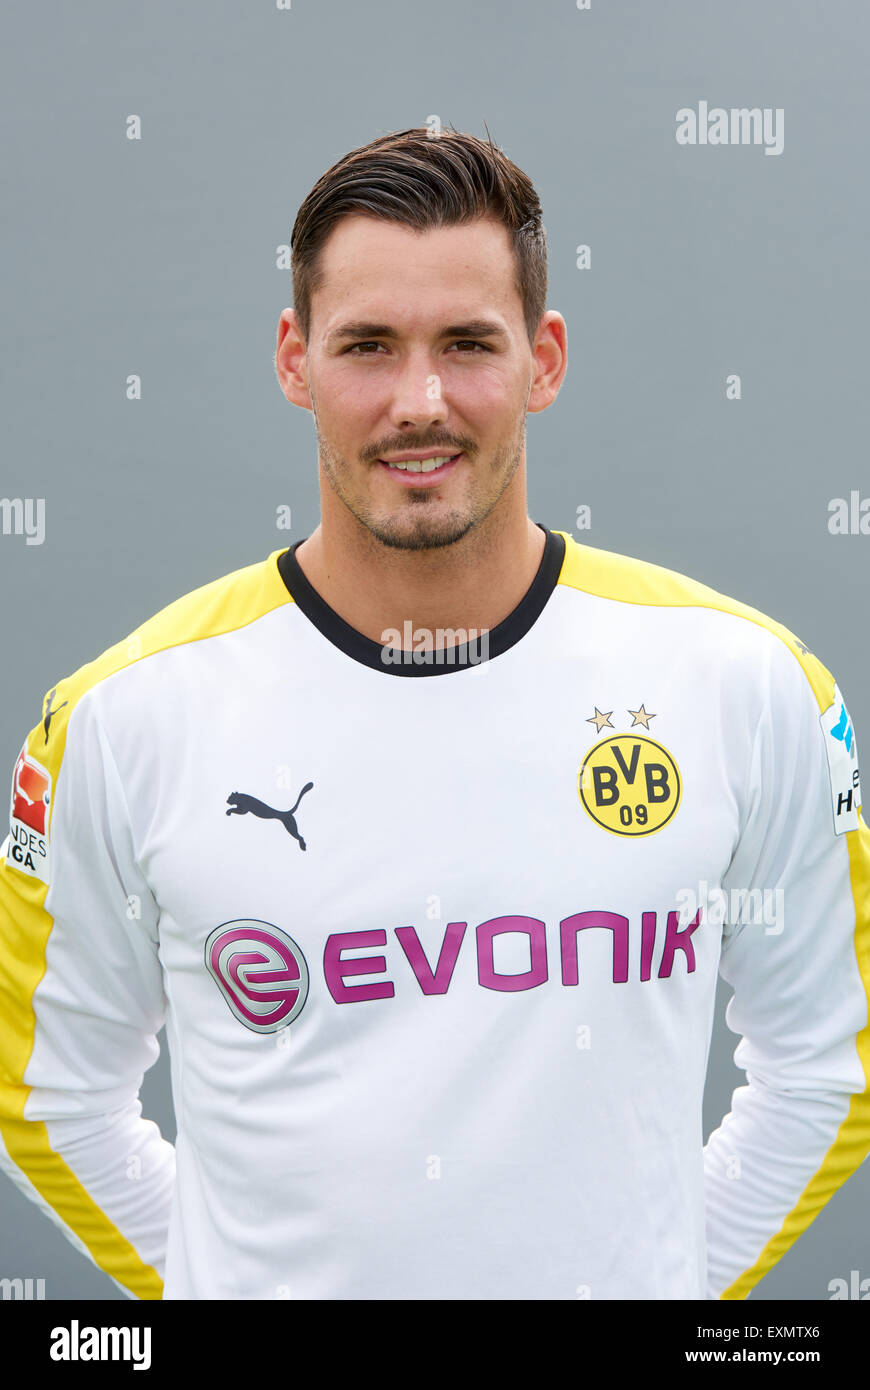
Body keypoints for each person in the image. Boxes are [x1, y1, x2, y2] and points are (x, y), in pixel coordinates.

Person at [0, 126, 868, 1301]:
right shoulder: (119, 719)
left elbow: (835, 1067)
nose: (421, 401)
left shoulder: (747, 683)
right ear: (294, 360)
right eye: (367, 346)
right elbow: (44, 1098)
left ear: (544, 360)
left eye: (468, 344)